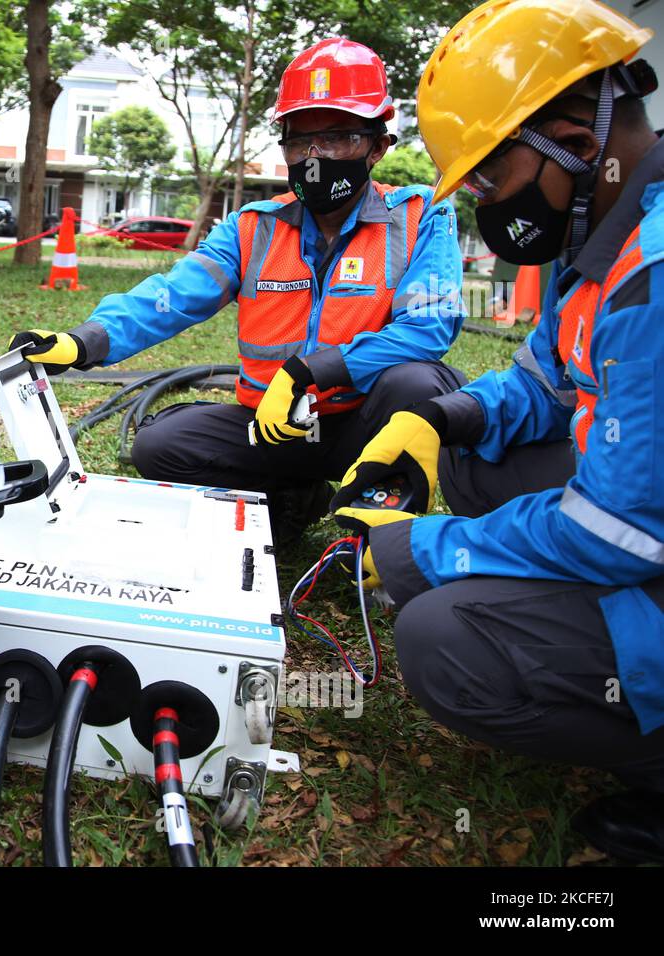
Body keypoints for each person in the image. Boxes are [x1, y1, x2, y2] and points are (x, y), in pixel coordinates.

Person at [330, 0, 664, 864]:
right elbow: (542, 383)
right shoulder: (608, 243)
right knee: (484, 458)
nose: (484, 202)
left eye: (487, 176)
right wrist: (435, 419)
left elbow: (621, 532)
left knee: (443, 641)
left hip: (642, 538)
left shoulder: (653, 279)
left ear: (578, 142)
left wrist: (418, 551)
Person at [10, 38, 466, 544]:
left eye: (336, 137)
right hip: (275, 428)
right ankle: (291, 500)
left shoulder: (422, 216)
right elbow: (173, 295)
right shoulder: (253, 228)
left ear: (378, 146)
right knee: (159, 446)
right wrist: (85, 341)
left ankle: (379, 535)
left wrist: (311, 371)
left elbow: (428, 327)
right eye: (300, 142)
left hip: (365, 425)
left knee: (419, 385)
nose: (315, 158)